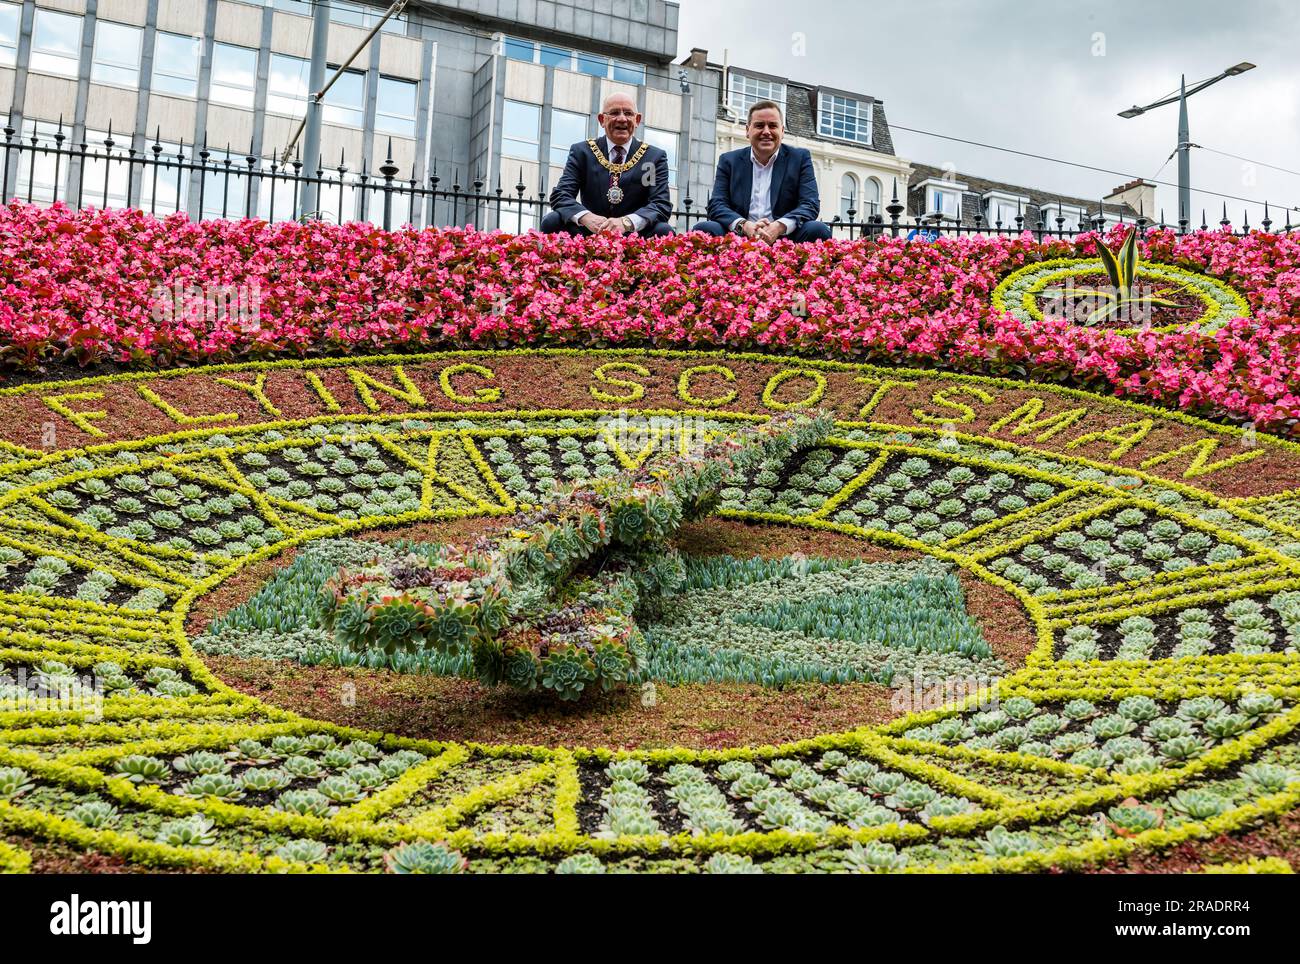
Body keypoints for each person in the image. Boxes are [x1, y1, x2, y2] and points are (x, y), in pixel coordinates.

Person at [694, 100, 831, 243]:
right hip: (740, 237)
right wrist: (744, 225)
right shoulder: (729, 161)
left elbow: (810, 204)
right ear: (747, 130)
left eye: (772, 126)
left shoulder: (800, 158)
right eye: (759, 125)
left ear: (782, 131)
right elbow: (717, 204)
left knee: (818, 229)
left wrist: (779, 226)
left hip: (786, 238)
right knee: (704, 229)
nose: (766, 132)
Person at [542, 92, 674, 238]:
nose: (622, 119)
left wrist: (626, 223)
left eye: (628, 113)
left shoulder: (651, 158)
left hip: (634, 236)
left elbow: (659, 204)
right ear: (601, 119)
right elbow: (562, 195)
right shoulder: (583, 152)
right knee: (552, 220)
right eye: (614, 112)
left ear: (637, 120)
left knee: (663, 231)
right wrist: (586, 217)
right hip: (588, 233)